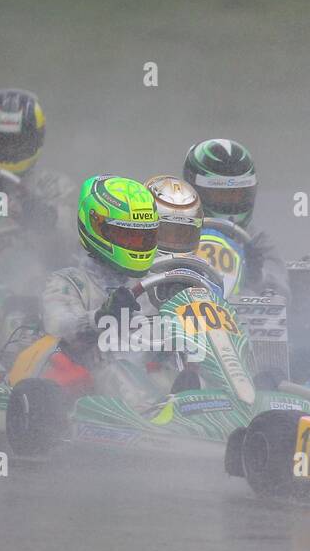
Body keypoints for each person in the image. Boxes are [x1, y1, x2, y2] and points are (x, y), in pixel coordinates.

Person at [39, 175, 164, 410]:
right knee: (115, 366)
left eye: (145, 237)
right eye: (129, 236)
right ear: (97, 228)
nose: (138, 244)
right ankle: (149, 414)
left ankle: (211, 411)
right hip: (90, 378)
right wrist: (101, 316)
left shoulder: (155, 284)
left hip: (146, 371)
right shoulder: (70, 281)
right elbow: (59, 327)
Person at [0, 88, 75, 264]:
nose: (8, 148)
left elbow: (71, 236)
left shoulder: (53, 184)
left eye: (16, 142)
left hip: (31, 276)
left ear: (35, 139)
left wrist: (42, 214)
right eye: (0, 141)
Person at [182, 138, 286, 295]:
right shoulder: (172, 234)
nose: (230, 202)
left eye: (237, 195)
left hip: (241, 317)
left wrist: (257, 276)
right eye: (221, 195)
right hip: (179, 313)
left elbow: (283, 295)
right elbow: (145, 297)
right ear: (193, 190)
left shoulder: (255, 240)